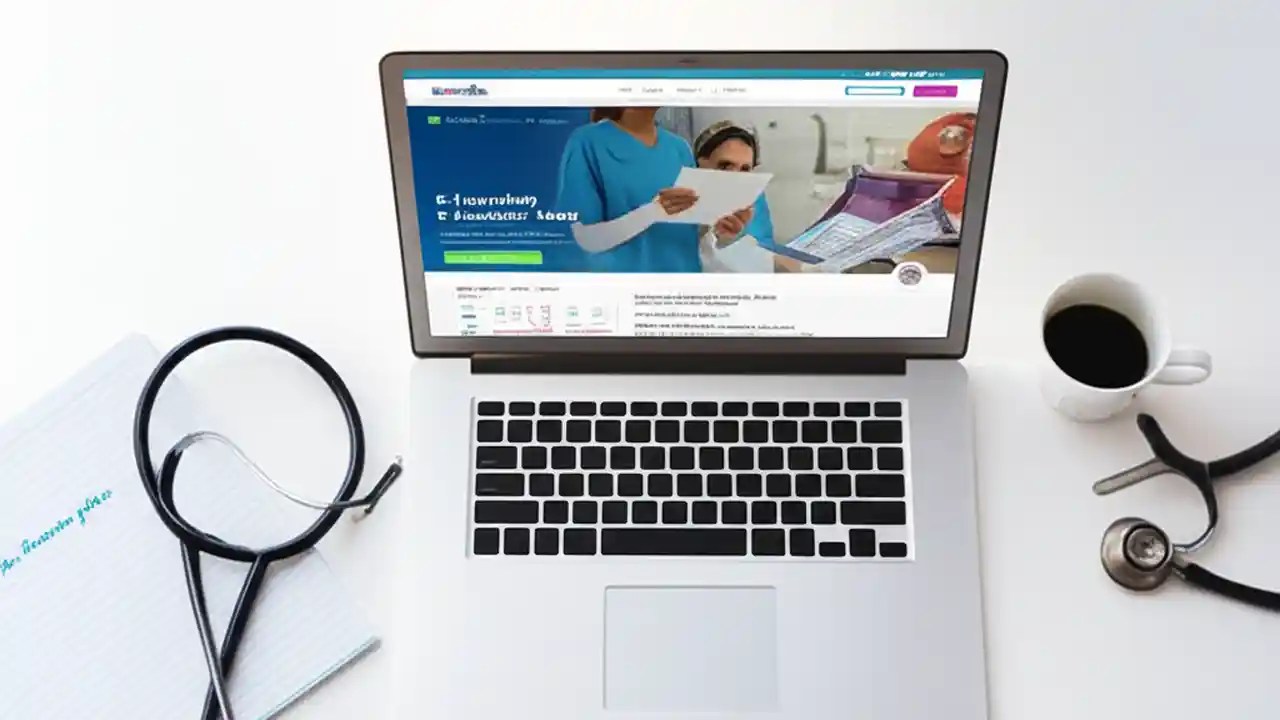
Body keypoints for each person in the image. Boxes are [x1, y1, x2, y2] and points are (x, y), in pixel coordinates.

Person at [555, 107, 746, 273]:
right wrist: (653, 212)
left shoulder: (679, 148)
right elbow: (584, 239)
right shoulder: (587, 142)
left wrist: (720, 232)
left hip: (682, 291)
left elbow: (685, 233)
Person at [692, 120, 777, 273]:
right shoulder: (677, 205)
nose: (736, 178)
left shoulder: (756, 202)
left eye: (745, 169)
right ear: (700, 165)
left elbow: (765, 258)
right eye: (725, 166)